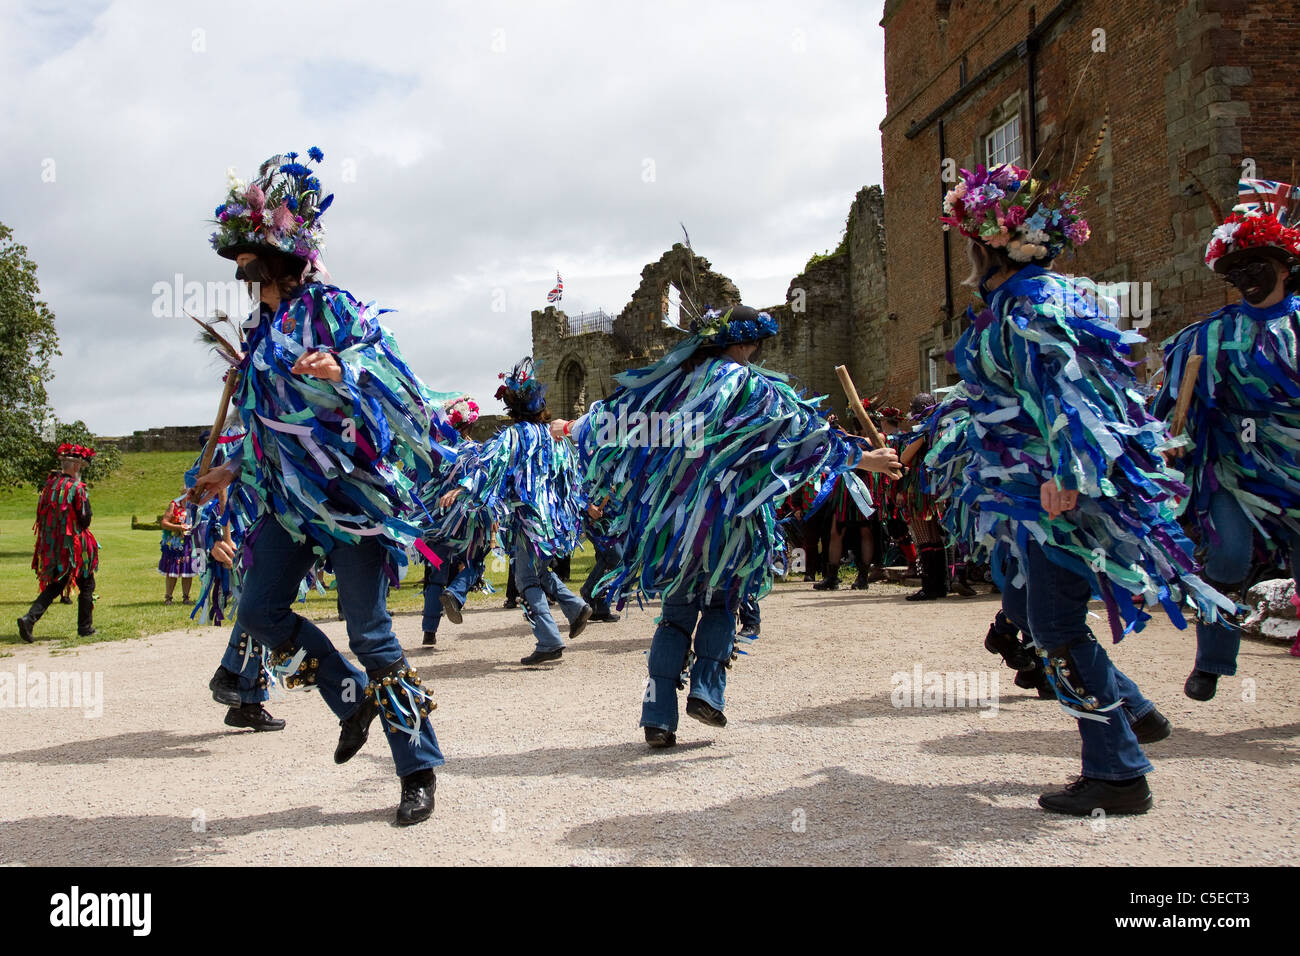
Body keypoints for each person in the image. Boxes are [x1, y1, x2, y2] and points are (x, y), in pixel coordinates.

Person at [925, 162, 1232, 815]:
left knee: (1055, 623)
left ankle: (1118, 773)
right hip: (1070, 483)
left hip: (1063, 487)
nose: (970, 260)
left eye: (975, 247)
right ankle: (1135, 715)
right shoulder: (1062, 295)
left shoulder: (1030, 305)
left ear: (994, 248)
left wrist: (1065, 472)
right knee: (1041, 611)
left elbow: (1064, 390)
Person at [190, 148, 443, 825]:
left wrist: (346, 366)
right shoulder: (260, 330)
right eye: (241, 265)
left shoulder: (333, 306)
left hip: (353, 500)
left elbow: (396, 375)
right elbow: (272, 424)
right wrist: (231, 468)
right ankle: (348, 694)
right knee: (258, 611)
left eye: (251, 262)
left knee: (371, 630)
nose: (244, 274)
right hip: (288, 504)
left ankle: (417, 768)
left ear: (279, 260)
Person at [551, 305, 901, 747]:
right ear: (739, 342)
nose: (755, 353)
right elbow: (796, 436)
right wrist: (865, 457)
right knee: (721, 603)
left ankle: (658, 717)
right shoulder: (749, 385)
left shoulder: (664, 388)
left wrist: (569, 425)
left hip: (673, 525)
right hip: (729, 521)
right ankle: (706, 692)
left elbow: (607, 423)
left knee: (676, 614)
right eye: (753, 345)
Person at [1154, 177, 1300, 701]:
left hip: (1298, 464)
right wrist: (1171, 436)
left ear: (1284, 268)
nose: (1246, 279)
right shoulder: (1209, 335)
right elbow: (1176, 403)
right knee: (1227, 556)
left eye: (1256, 267)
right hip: (1234, 465)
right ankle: (1212, 661)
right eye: (1235, 272)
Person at [438, 358, 591, 664]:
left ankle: (548, 641)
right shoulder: (553, 436)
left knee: (526, 581)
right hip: (551, 521)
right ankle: (576, 608)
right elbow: (570, 476)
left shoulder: (513, 436)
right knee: (536, 571)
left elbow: (491, 464)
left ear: (513, 408)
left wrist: (465, 488)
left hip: (526, 520)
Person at [419, 395, 491, 647]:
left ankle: (429, 630)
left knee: (436, 571)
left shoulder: (436, 451)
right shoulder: (475, 452)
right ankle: (456, 592)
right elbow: (482, 485)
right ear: (470, 425)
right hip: (466, 520)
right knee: (476, 561)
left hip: (436, 520)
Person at [18, 443, 99, 642]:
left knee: (56, 584)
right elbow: (85, 518)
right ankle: (85, 627)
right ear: (75, 466)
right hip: (74, 546)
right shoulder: (76, 488)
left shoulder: (49, 486)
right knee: (87, 583)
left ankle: (29, 618)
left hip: (53, 544)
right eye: (80, 466)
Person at [158, 497, 197, 604]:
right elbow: (164, 523)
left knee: (187, 569)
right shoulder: (174, 505)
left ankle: (186, 597)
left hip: (188, 542)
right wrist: (178, 527)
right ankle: (168, 597)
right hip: (174, 543)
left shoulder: (195, 505)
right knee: (172, 570)